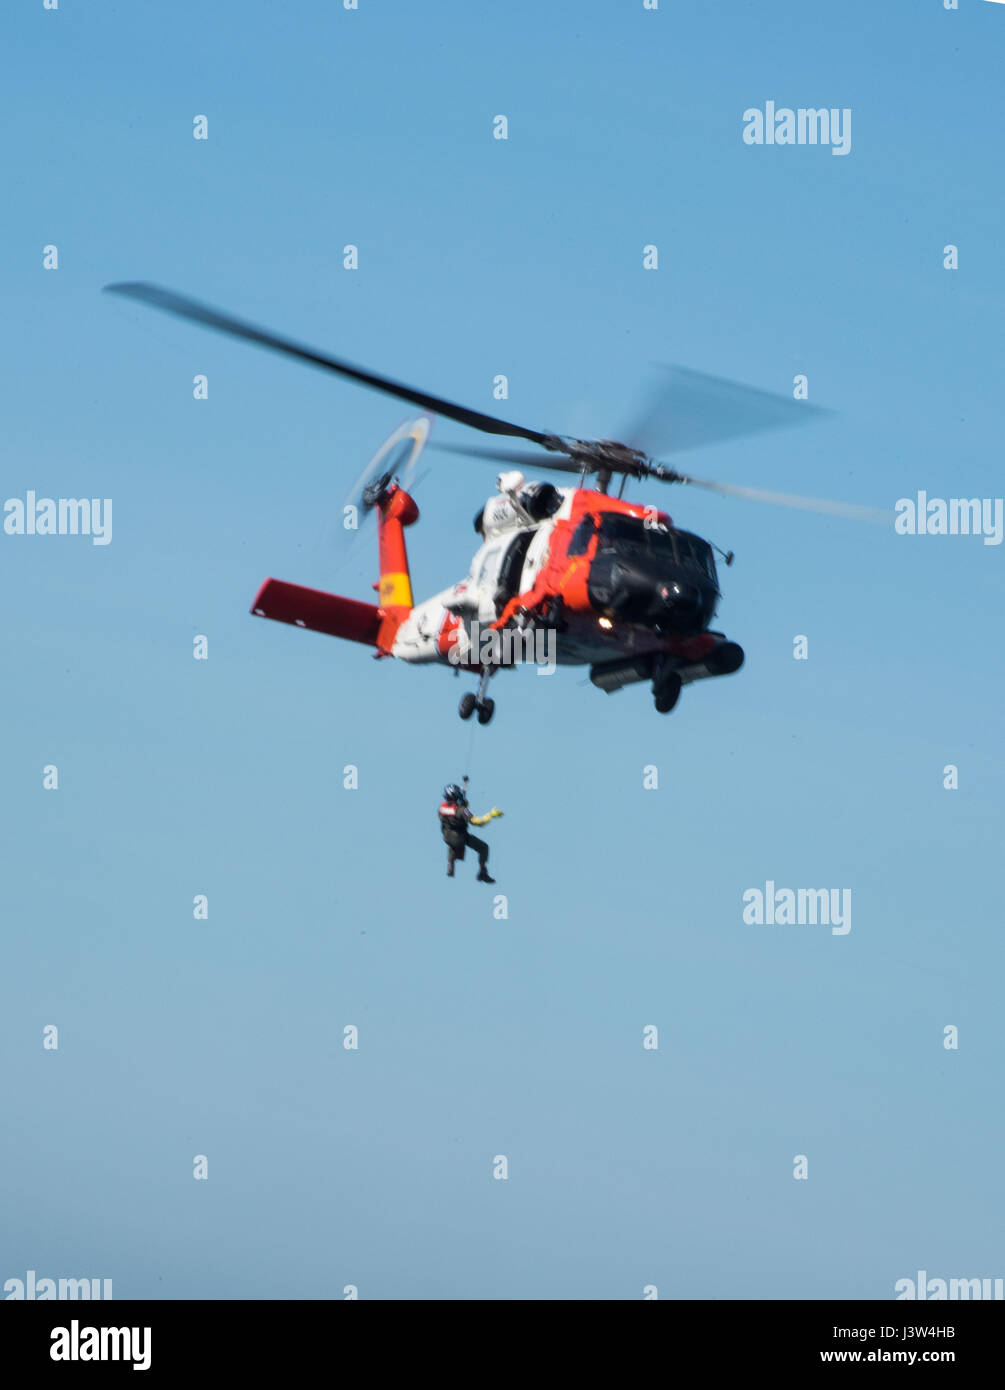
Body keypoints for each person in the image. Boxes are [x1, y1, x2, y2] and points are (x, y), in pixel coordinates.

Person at [439, 783, 503, 883]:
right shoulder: (462, 811)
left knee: (453, 841)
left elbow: (453, 814)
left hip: (447, 837)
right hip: (460, 838)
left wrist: (464, 805)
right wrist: (491, 815)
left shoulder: (441, 809)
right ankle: (482, 871)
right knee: (484, 847)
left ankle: (450, 864)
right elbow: (477, 822)